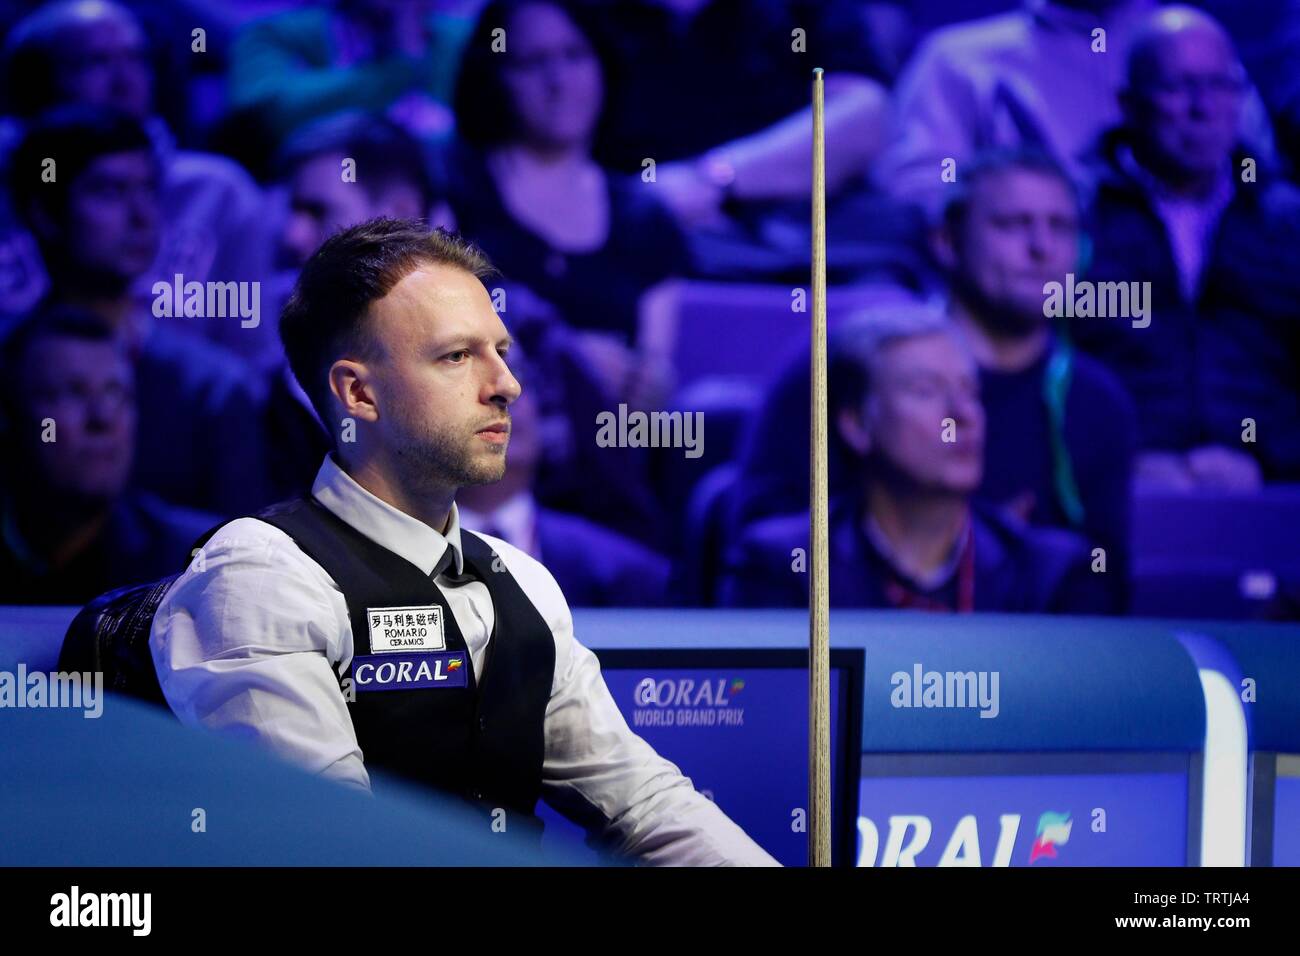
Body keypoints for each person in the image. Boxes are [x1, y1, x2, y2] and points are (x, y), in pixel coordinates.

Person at [150, 218, 777, 865]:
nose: (506, 385)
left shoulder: (522, 581)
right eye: (456, 356)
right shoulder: (257, 578)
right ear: (358, 392)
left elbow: (649, 808)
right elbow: (330, 850)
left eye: (501, 352)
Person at [719, 305, 1109, 614]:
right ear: (856, 424)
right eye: (926, 391)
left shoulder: (1050, 576)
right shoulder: (783, 569)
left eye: (970, 392)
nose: (963, 415)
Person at [5, 105, 271, 517]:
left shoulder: (212, 389)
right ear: (45, 213)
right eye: (109, 192)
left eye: (148, 191)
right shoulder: (9, 365)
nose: (142, 218)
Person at [1077, 6, 1300, 487]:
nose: (1203, 109)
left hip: (1272, 490)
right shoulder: (1075, 214)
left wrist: (1267, 461)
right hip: (1111, 484)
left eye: (1221, 86)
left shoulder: (1285, 221)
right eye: (1178, 88)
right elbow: (1047, 359)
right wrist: (1120, 460)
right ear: (1129, 104)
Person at [446, 0, 687, 408]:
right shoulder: (453, 189)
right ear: (496, 76)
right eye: (533, 62)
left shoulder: (644, 217)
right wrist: (562, 357)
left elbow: (656, 361)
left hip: (605, 438)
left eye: (575, 56)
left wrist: (649, 383)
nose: (557, 81)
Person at [0, 0, 272, 357]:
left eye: (137, 60)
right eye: (95, 62)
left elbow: (253, 355)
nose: (125, 82)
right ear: (37, 81)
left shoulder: (217, 191)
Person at [932, 148, 1137, 605]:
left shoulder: (1099, 404)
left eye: (1061, 227)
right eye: (1011, 224)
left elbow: (1105, 588)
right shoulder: (863, 374)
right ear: (947, 241)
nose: (1041, 248)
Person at [0, 306, 217, 605]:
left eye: (116, 393)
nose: (102, 418)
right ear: (12, 417)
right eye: (71, 393)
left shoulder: (194, 563)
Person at [455, 347, 671, 607]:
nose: (505, 396)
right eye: (475, 381)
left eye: (519, 376)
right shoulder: (399, 563)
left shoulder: (633, 577)